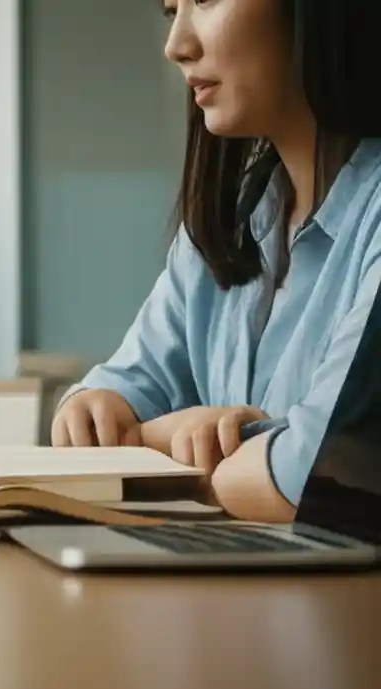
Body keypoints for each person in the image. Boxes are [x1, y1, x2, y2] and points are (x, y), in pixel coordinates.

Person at [52, 0, 381, 521]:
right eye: (170, 10)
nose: (176, 44)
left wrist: (163, 444)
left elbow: (312, 480)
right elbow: (96, 422)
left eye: (205, 0)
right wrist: (122, 420)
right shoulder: (223, 227)